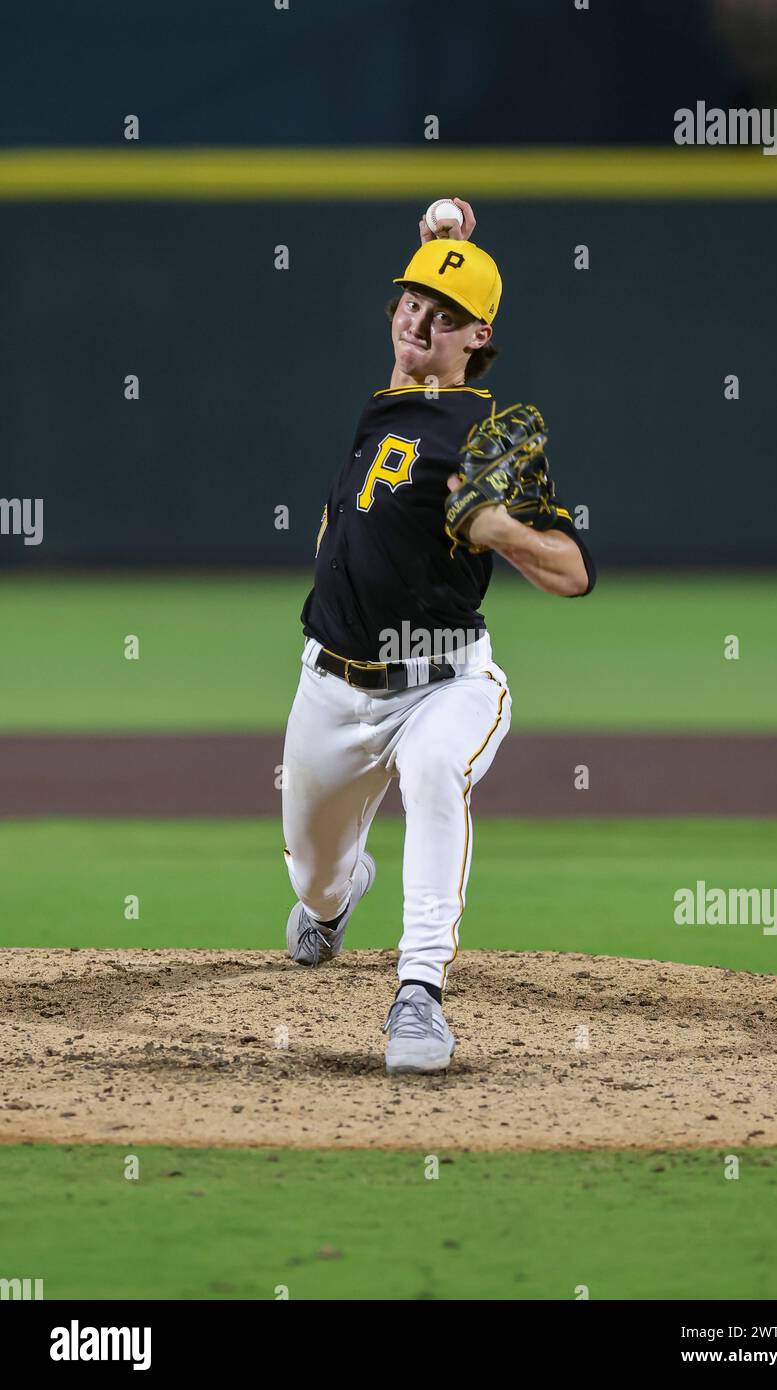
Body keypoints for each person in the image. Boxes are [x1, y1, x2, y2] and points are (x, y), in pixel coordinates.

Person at [282, 199, 596, 1073]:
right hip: (330, 689)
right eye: (412, 302)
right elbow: (425, 324)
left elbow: (571, 570)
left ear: (478, 335)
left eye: (445, 315)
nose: (421, 318)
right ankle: (339, 898)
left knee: (430, 771)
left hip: (444, 685)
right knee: (312, 884)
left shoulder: (485, 434)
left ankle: (418, 996)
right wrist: (441, 256)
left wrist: (508, 535)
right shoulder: (389, 401)